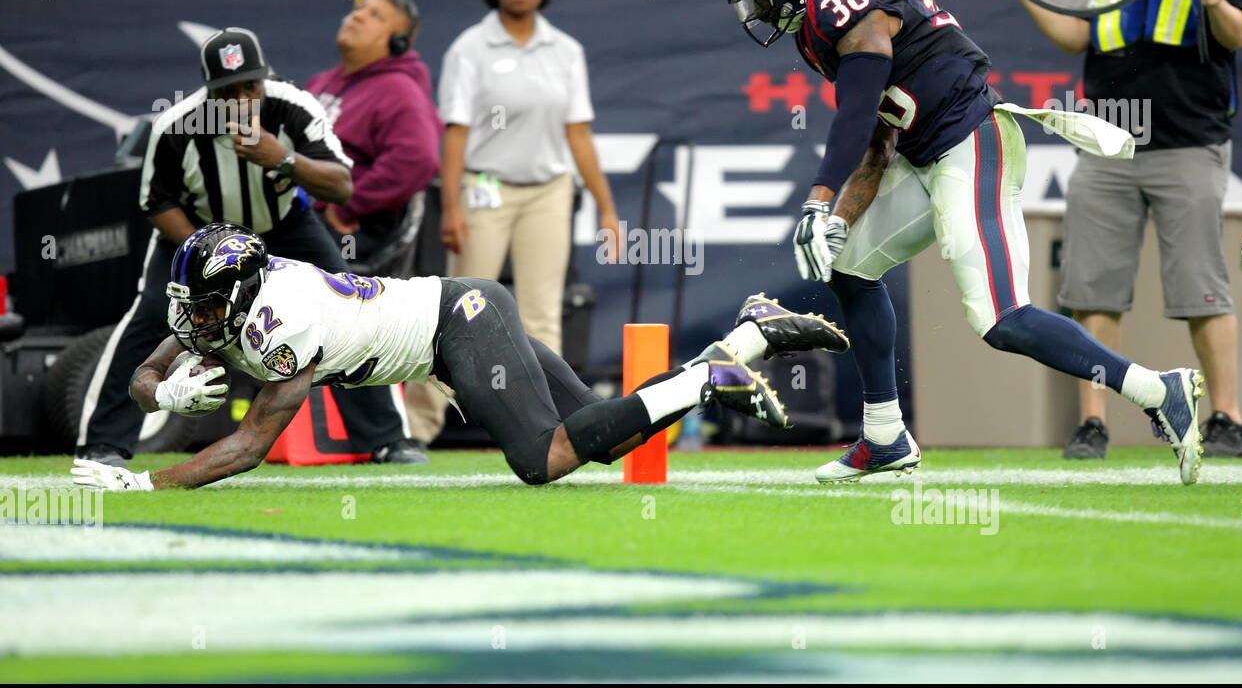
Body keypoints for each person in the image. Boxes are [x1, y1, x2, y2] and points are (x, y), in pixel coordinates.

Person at [725, 0, 1206, 485]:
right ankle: (884, 437)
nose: (753, 10)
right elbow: (878, 144)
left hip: (972, 142)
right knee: (848, 264)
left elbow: (854, 118)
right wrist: (839, 219)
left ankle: (1158, 390)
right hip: (925, 156)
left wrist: (816, 201)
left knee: (1002, 318)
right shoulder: (817, 32)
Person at [69, 223, 850, 491]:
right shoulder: (224, 301)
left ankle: (707, 378)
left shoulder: (282, 317)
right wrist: (158, 398)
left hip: (458, 324)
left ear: (241, 295)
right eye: (195, 308)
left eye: (209, 307)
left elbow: (249, 445)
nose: (197, 321)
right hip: (461, 316)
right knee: (601, 437)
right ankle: (750, 334)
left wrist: (147, 479)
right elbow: (151, 363)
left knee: (544, 461)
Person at [992, 0, 1242, 459]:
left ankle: (1228, 418)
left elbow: (1238, 34)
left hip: (1189, 137)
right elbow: (1079, 36)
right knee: (1092, 288)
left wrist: (1217, 1)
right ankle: (1093, 422)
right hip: (1107, 138)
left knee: (1202, 287)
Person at [75, 28, 425, 469]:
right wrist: (206, 256)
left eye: (250, 87)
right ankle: (104, 441)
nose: (241, 99)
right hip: (196, 234)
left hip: (281, 225)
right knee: (150, 316)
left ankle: (389, 438)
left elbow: (341, 185)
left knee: (350, 307)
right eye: (228, 91)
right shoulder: (177, 125)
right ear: (208, 91)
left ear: (266, 81)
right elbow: (156, 203)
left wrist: (284, 159)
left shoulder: (294, 108)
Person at [438, 0, 619, 356]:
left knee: (542, 315)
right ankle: (421, 422)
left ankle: (547, 420)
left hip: (548, 192)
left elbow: (579, 135)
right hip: (486, 188)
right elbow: (456, 133)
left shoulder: (566, 51)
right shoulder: (469, 49)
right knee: (460, 308)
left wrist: (607, 209)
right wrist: (450, 207)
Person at [307, 0, 442, 273]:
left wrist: (348, 203)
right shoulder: (321, 82)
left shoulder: (399, 90)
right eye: (358, 9)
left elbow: (418, 159)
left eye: (375, 15)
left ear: (398, 41)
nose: (357, 17)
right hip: (296, 209)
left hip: (339, 227)